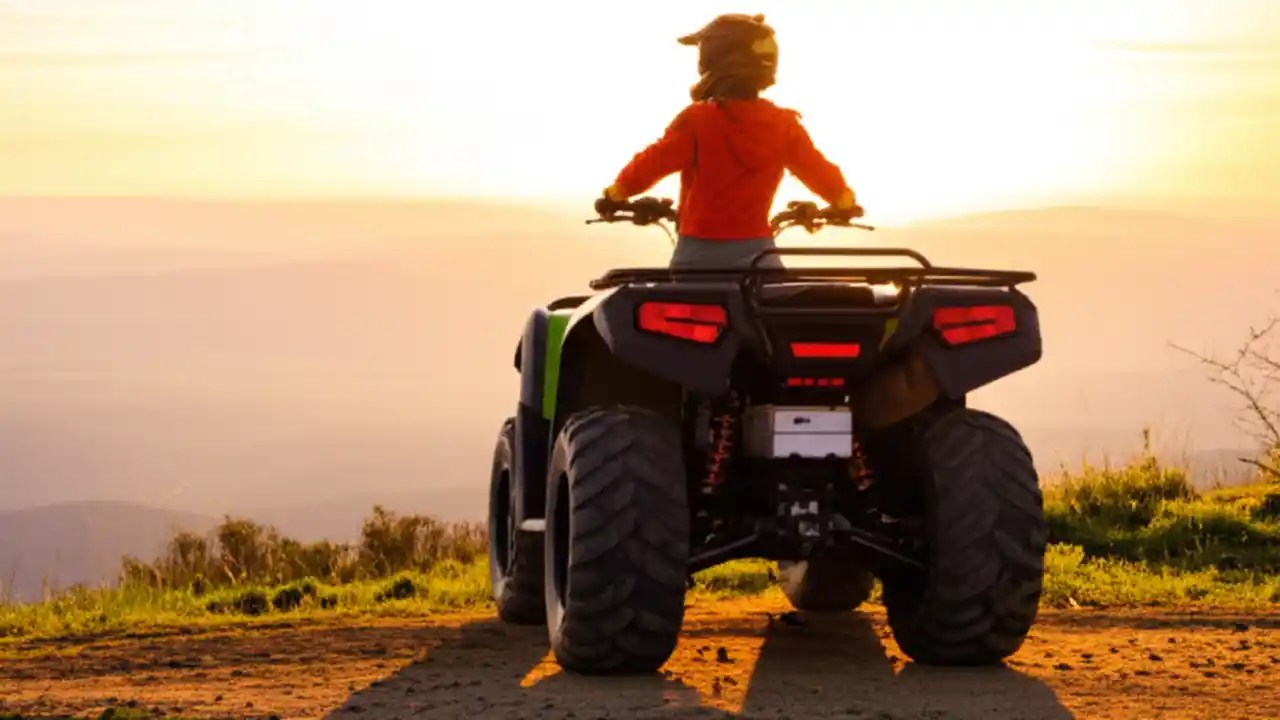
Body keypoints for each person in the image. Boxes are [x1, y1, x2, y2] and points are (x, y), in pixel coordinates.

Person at [597, 13, 861, 270]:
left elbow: (652, 162)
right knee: (768, 310)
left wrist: (616, 194)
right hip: (760, 256)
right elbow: (818, 169)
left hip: (698, 256)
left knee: (683, 311)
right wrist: (843, 201)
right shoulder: (784, 125)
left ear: (714, 60)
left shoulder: (698, 120)